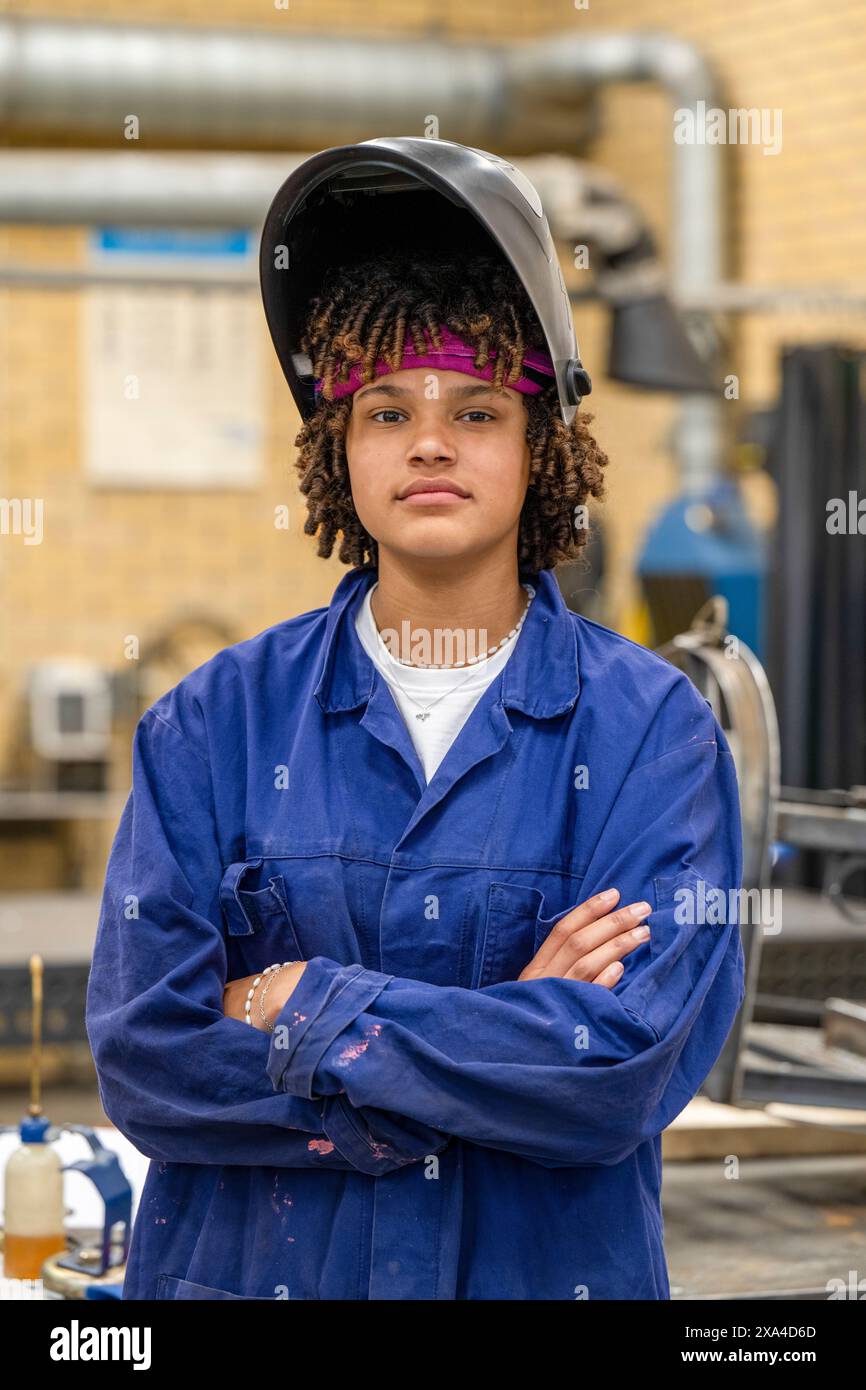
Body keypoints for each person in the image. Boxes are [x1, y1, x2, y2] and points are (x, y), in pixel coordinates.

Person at [86, 139, 745, 1301]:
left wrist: (300, 1001)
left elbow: (621, 1070)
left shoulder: (651, 732)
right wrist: (499, 1037)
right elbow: (149, 1060)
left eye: (476, 409)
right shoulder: (211, 723)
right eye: (386, 409)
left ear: (541, 446)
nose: (429, 441)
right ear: (338, 450)